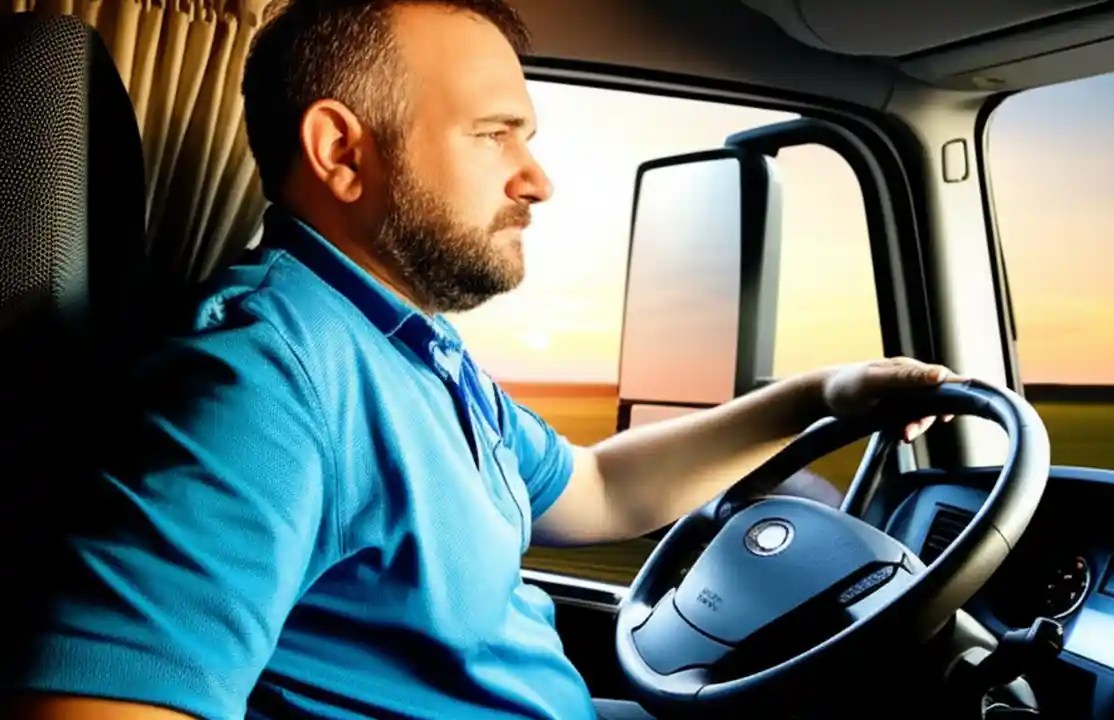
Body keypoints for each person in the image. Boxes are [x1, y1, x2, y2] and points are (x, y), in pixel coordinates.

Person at [0, 1, 959, 718]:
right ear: (341, 150)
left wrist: (819, 397)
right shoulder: (267, 381)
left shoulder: (404, 348)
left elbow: (598, 490)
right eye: (494, 133)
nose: (537, 178)